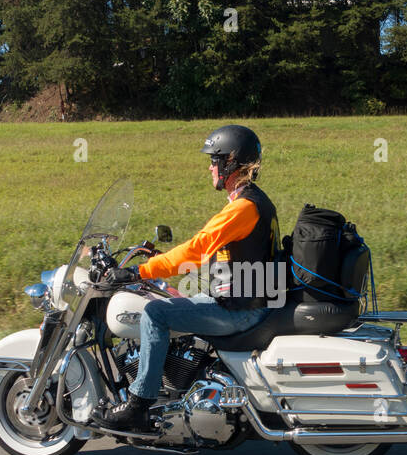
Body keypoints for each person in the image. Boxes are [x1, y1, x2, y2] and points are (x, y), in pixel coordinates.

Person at [94, 124, 280, 432]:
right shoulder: (248, 201)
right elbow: (211, 255)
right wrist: (159, 265)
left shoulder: (243, 208)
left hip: (243, 310)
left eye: (214, 160)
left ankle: (139, 405)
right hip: (240, 301)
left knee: (155, 314)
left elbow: (196, 249)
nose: (209, 167)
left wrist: (138, 271)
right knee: (174, 298)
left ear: (230, 162)